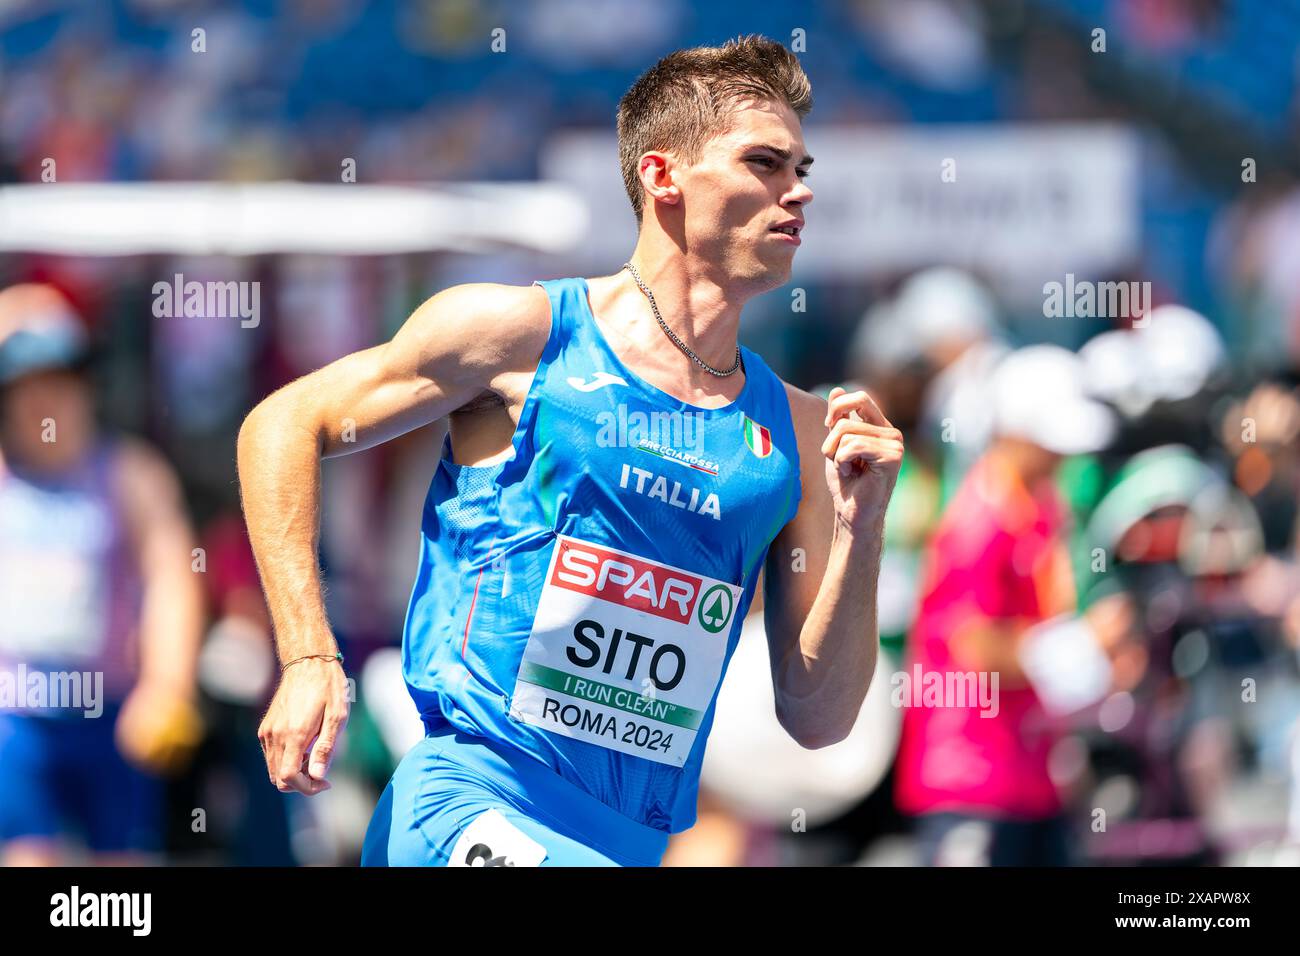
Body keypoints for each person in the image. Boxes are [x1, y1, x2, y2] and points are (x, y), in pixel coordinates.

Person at [238, 34, 904, 867]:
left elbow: (818, 719)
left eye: (803, 169)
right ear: (663, 176)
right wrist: (307, 655)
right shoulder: (520, 336)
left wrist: (862, 527)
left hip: (630, 843)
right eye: (765, 164)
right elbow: (281, 426)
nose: (796, 192)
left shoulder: (798, 432)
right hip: (467, 804)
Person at [893, 345, 1132, 866]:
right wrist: (1087, 645)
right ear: (1017, 432)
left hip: (1029, 777)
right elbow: (975, 649)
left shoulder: (1039, 508)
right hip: (972, 782)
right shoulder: (981, 520)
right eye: (1052, 443)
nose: (1064, 457)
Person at [0, 283, 204, 865]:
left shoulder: (130, 475)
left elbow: (172, 579)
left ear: (84, 388)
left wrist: (168, 686)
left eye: (58, 384)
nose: (45, 405)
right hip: (15, 716)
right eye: (27, 388)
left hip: (113, 711)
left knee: (124, 876)